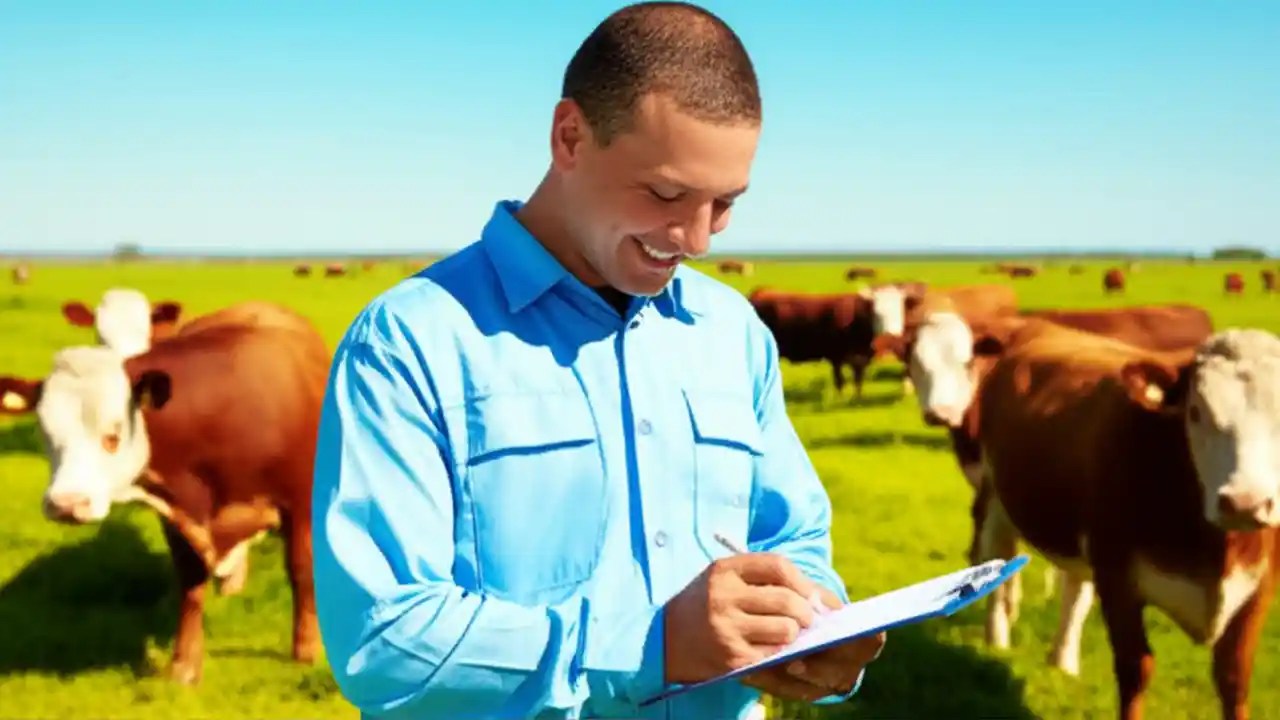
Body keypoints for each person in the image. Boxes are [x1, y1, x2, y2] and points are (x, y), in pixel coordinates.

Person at [310, 2, 885, 718]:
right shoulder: (408, 345)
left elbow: (792, 539)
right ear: (570, 136)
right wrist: (649, 645)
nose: (699, 240)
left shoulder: (731, 332)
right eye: (668, 194)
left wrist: (813, 625)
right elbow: (382, 639)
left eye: (726, 203)